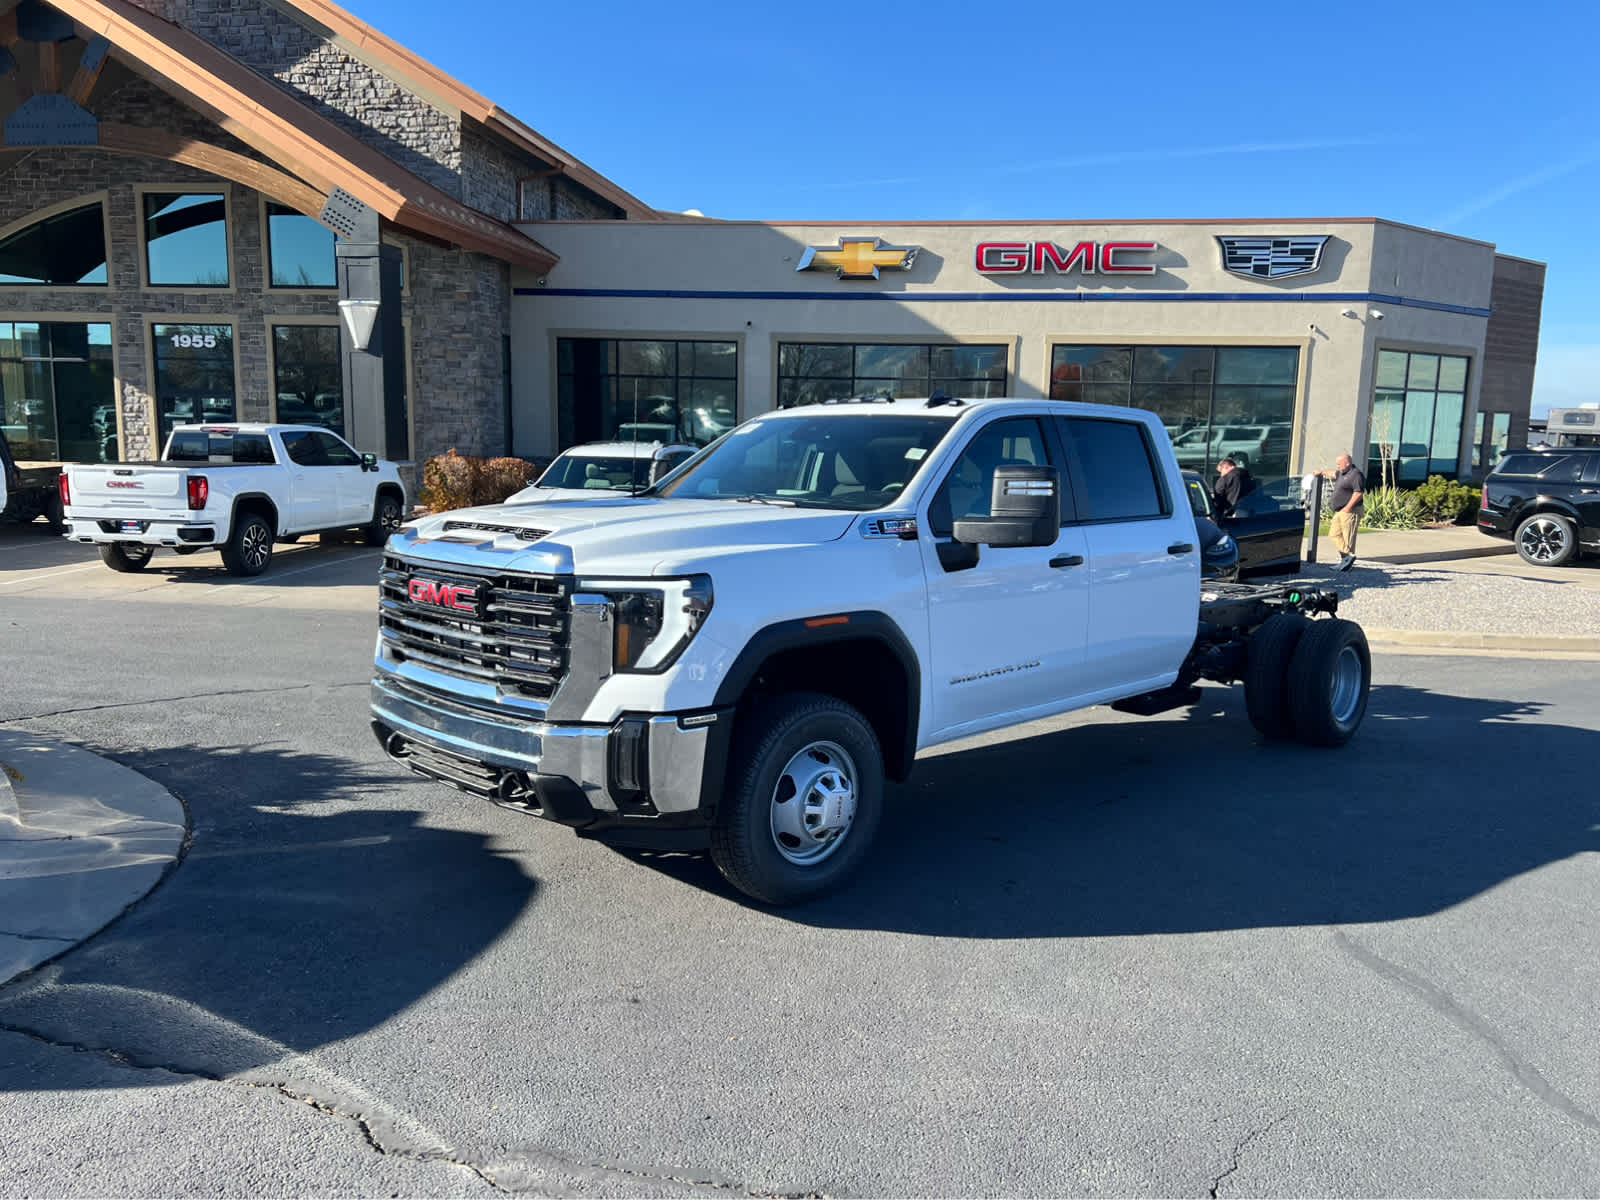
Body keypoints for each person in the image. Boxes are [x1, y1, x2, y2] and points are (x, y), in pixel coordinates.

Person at [1321, 452, 1365, 572]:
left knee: (1347, 539)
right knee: (1334, 534)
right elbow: (1332, 473)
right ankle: (1347, 558)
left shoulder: (1356, 474)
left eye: (1339, 464)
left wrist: (1348, 508)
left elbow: (1358, 493)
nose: (1338, 466)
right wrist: (1321, 472)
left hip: (1350, 511)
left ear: (1347, 463)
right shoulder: (1342, 473)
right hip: (1340, 511)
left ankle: (1345, 564)